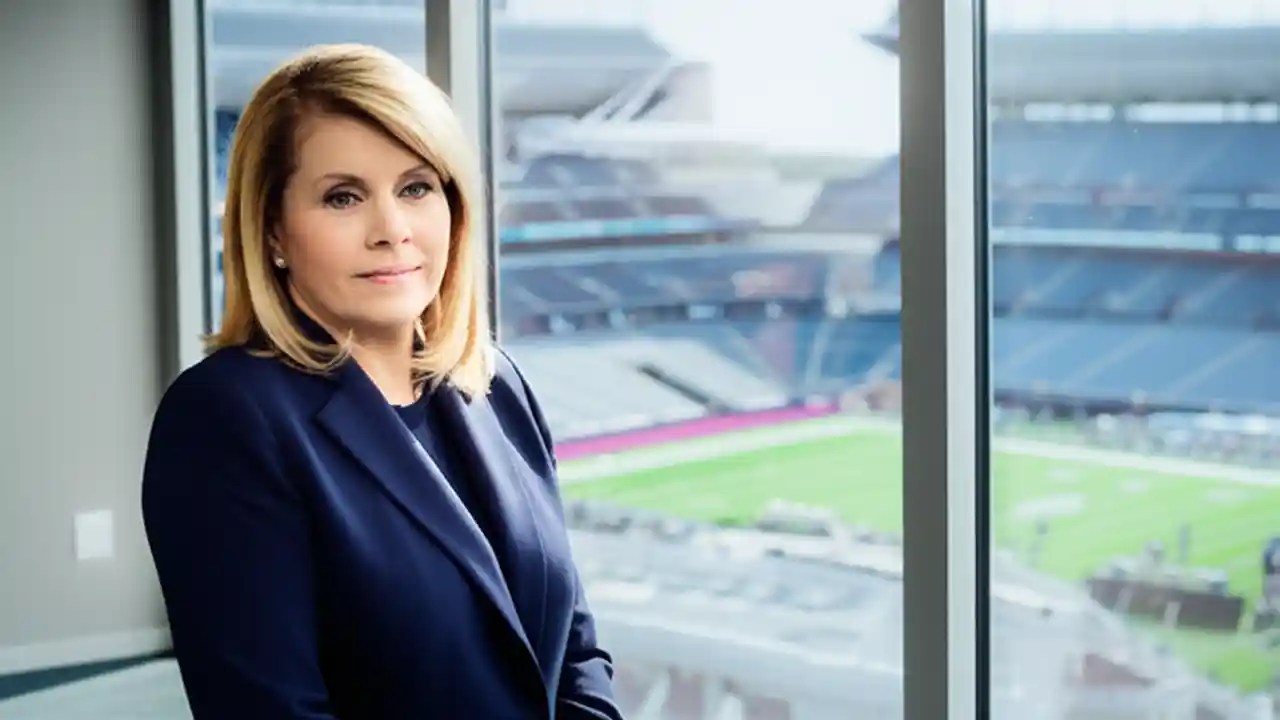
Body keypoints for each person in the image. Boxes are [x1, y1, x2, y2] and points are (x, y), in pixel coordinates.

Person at [141, 43, 623, 719]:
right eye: (343, 197)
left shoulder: (496, 383)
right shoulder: (226, 417)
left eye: (417, 188)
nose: (391, 230)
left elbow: (573, 652)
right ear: (273, 230)